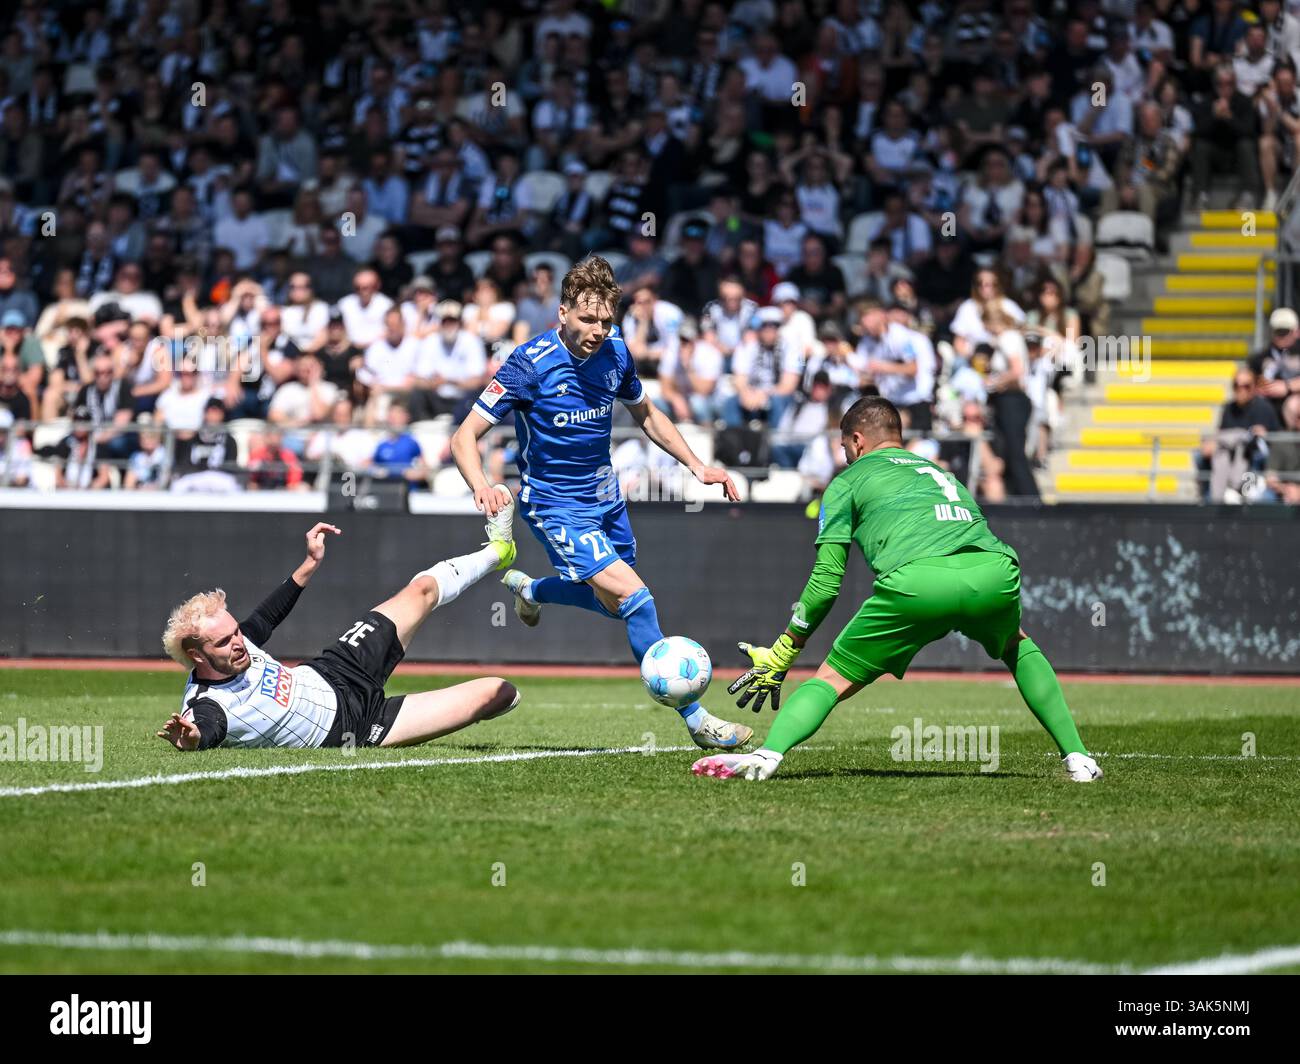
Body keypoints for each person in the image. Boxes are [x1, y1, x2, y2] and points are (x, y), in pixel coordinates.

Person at [692, 396, 1101, 784]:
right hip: (993, 573)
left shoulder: (847, 481)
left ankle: (767, 755)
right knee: (1016, 645)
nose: (845, 456)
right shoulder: (943, 473)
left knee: (831, 679)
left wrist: (786, 647)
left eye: (844, 446)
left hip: (917, 585)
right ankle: (1079, 757)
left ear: (857, 440)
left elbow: (826, 582)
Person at [450, 255, 752, 751]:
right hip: (555, 503)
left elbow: (647, 413)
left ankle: (533, 591)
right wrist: (480, 483)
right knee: (637, 599)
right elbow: (465, 436)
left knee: (616, 608)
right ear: (563, 313)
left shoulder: (616, 353)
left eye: (606, 320)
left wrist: (697, 465)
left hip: (606, 498)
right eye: (588, 319)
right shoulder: (529, 363)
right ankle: (699, 723)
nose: (598, 329)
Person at [156, 518, 521, 752]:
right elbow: (208, 726)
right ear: (198, 657)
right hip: (358, 725)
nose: (238, 642)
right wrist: (193, 739)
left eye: (235, 632)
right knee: (500, 692)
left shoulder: (239, 645)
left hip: (337, 669)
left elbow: (267, 616)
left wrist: (310, 563)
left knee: (420, 590)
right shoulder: (206, 704)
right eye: (223, 642)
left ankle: (498, 551)